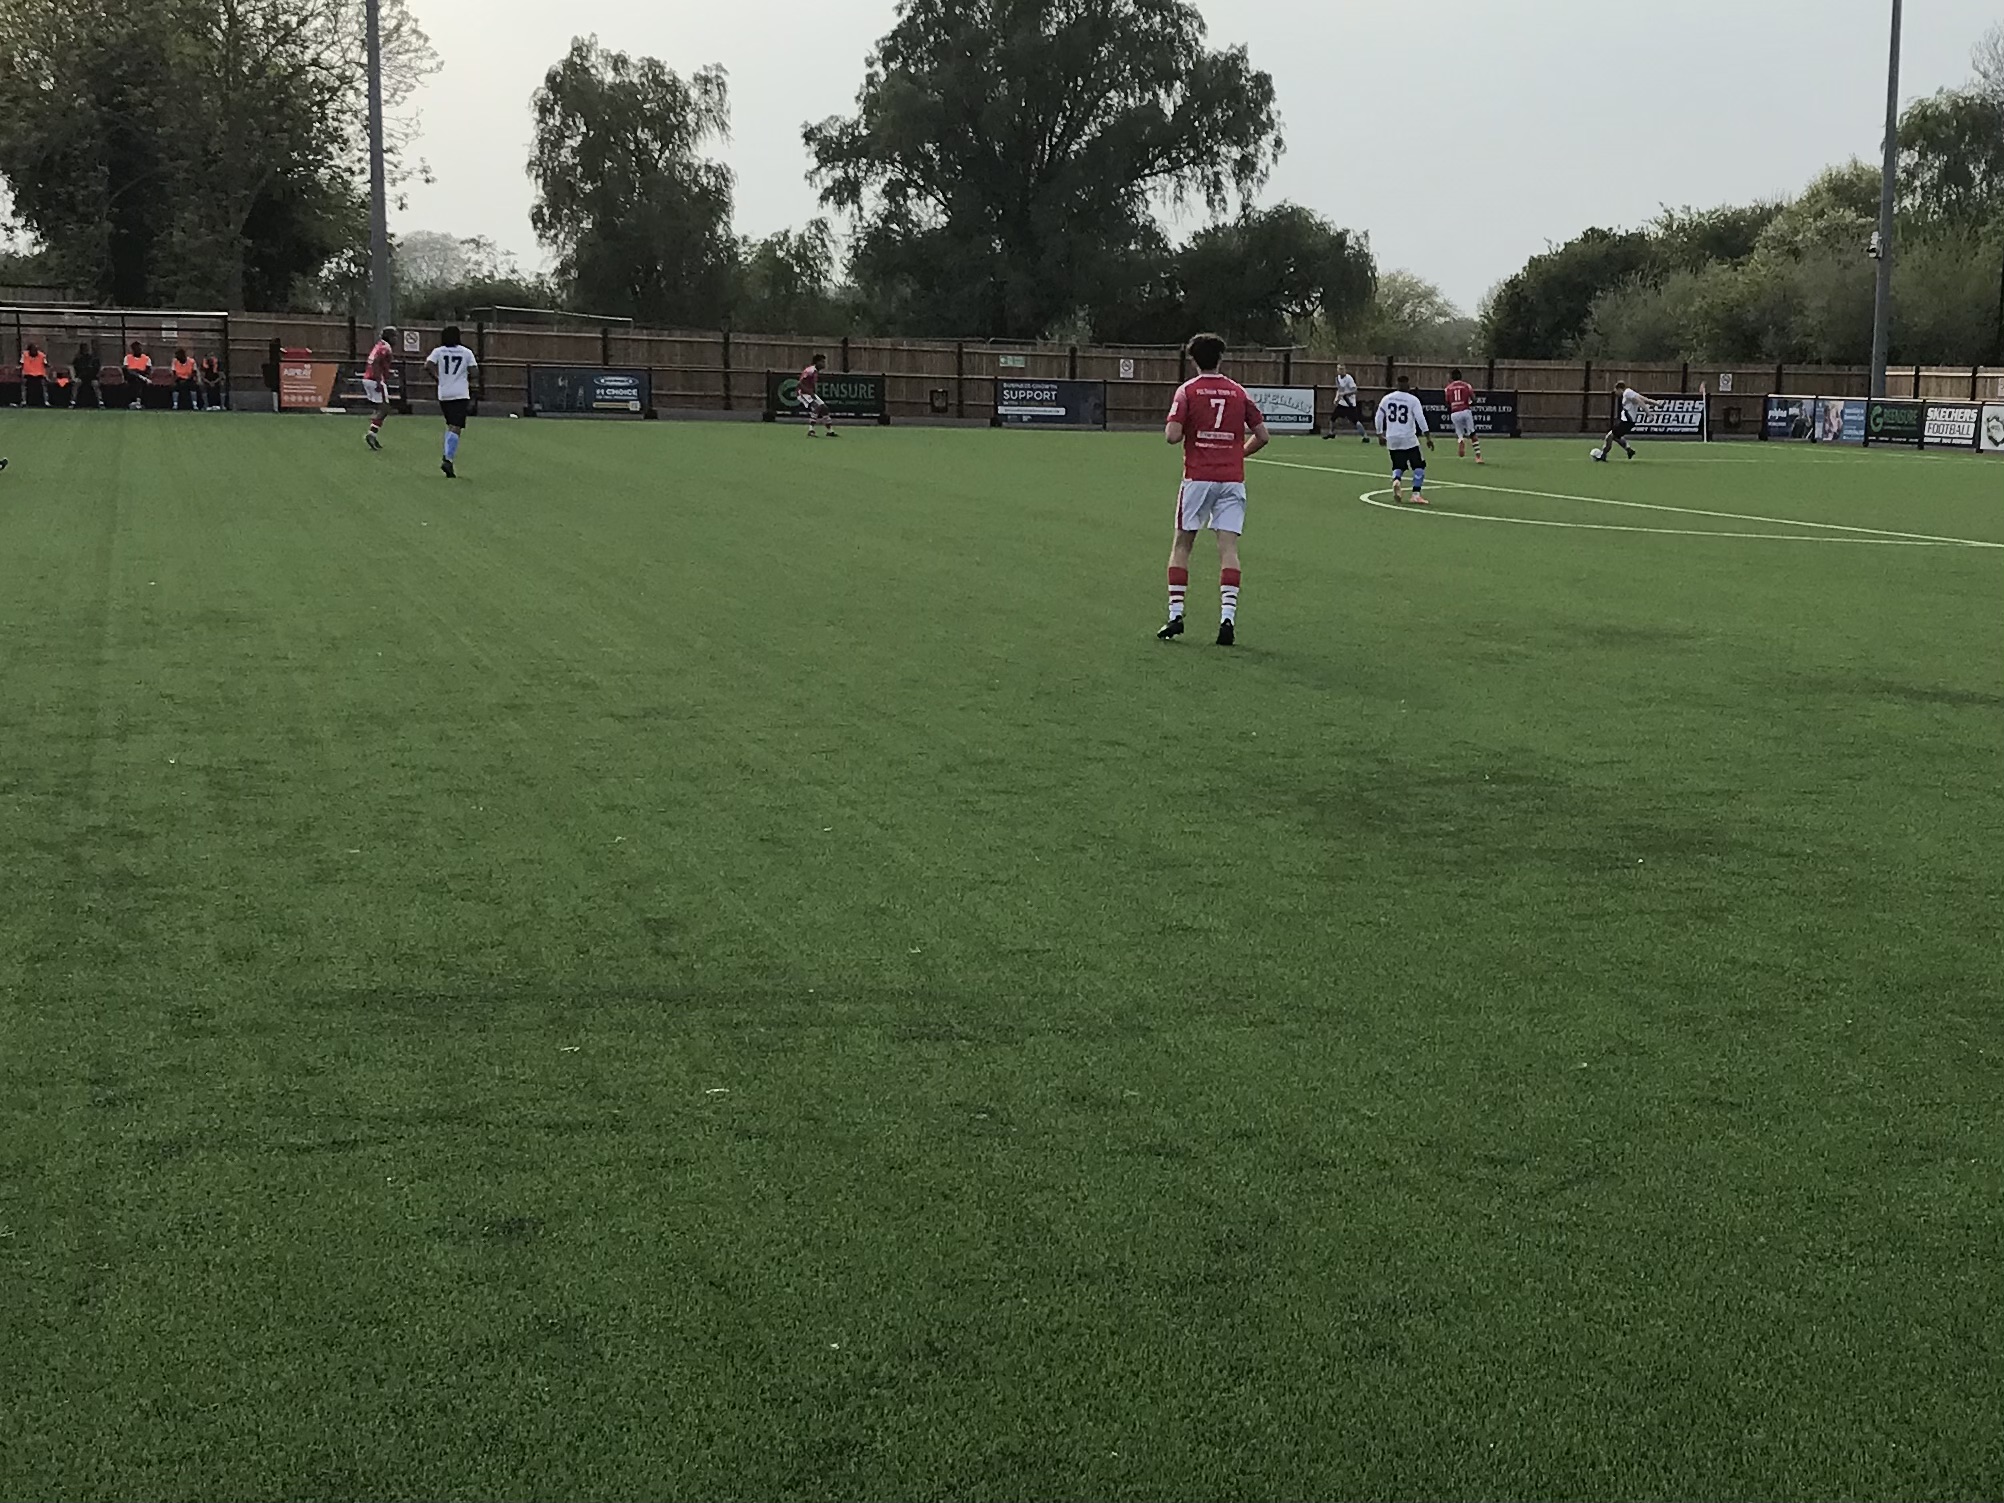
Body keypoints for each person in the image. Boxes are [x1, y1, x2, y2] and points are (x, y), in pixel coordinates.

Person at [1158, 332, 1269, 647]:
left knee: (1182, 545)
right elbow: (1262, 435)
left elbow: (1172, 435)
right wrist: (1237, 453)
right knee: (1228, 549)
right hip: (1232, 479)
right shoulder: (1238, 392)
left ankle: (1176, 614)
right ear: (1221, 358)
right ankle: (1227, 619)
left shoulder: (1187, 391)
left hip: (1198, 478)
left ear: (1193, 360)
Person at [425, 325, 479, 478]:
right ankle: (447, 459)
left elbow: (427, 366)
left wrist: (438, 378)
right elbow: (475, 372)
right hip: (460, 393)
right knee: (456, 427)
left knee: (451, 425)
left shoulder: (438, 351)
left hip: (444, 393)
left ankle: (447, 458)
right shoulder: (466, 352)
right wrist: (464, 378)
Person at [1376, 375, 1435, 505]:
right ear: (1408, 385)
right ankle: (1416, 494)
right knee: (1419, 465)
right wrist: (1428, 437)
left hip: (1392, 438)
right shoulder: (1413, 400)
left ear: (1397, 385)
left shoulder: (1387, 398)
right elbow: (1421, 419)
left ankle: (1396, 479)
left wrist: (1379, 434)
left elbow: (1379, 416)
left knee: (1398, 465)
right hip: (1408, 438)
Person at [1595, 380, 1661, 460]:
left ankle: (1603, 455)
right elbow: (1644, 399)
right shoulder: (1630, 392)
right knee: (1616, 437)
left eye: (1615, 391)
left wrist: (1649, 414)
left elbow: (1640, 401)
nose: (1615, 393)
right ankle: (1629, 450)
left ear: (1619, 389)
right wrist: (1656, 403)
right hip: (1627, 422)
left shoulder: (1627, 393)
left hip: (1627, 422)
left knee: (1609, 436)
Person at [362, 326, 396, 449]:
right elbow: (376, 361)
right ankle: (371, 433)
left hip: (367, 378)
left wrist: (387, 372)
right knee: (385, 408)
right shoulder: (385, 348)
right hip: (374, 379)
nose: (396, 339)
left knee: (380, 407)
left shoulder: (378, 345)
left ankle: (373, 432)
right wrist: (378, 380)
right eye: (394, 336)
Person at [1326, 363, 1370, 441]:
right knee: (1333, 418)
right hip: (1342, 403)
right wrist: (1336, 398)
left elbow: (1355, 390)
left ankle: (1365, 437)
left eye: (1342, 369)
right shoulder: (1337, 378)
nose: (1341, 371)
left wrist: (1345, 394)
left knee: (1356, 421)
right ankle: (1331, 433)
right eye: (1339, 369)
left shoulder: (1349, 378)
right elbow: (1339, 390)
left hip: (1350, 404)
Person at [798, 354, 836, 437]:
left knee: (824, 408)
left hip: (810, 393)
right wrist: (809, 393)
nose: (824, 364)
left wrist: (813, 393)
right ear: (817, 362)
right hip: (802, 393)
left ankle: (830, 431)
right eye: (822, 362)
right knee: (817, 406)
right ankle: (811, 430)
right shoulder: (809, 371)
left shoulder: (815, 372)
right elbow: (800, 383)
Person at [121, 342, 153, 409]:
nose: (137, 350)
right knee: (133, 377)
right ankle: (136, 401)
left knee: (138, 381)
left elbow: (148, 371)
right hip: (131, 377)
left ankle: (137, 401)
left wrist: (140, 373)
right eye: (135, 348)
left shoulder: (146, 358)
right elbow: (126, 370)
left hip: (142, 376)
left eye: (139, 348)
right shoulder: (127, 358)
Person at [71, 341, 103, 408]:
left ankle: (100, 401)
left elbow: (97, 369)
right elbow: (75, 368)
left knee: (95, 384)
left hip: (92, 377)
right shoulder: (78, 359)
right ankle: (73, 400)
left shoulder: (93, 358)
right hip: (81, 376)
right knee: (76, 383)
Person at [19, 343, 49, 407]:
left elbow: (46, 364)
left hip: (39, 374)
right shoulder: (24, 354)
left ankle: (46, 401)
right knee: (23, 386)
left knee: (44, 386)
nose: (34, 351)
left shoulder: (42, 355)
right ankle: (24, 401)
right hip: (27, 374)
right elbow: (21, 363)